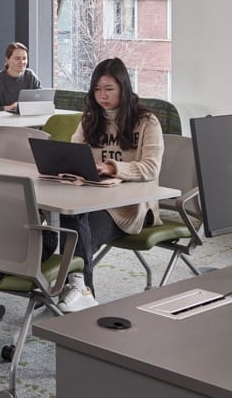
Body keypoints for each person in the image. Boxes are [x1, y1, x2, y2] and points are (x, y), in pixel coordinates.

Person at [59, 57, 163, 311]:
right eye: (97, 89)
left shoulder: (147, 121)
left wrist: (112, 168)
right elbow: (75, 152)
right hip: (91, 197)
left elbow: (151, 168)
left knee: (76, 228)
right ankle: (75, 287)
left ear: (123, 88)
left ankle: (78, 288)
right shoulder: (90, 119)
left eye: (109, 89)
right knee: (62, 218)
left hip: (129, 206)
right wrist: (70, 169)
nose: (102, 96)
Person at [0, 41, 42, 112]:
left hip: (28, 116)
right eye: (17, 58)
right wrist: (8, 108)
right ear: (7, 60)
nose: (21, 62)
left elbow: (41, 99)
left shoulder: (31, 76)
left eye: (24, 58)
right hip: (3, 118)